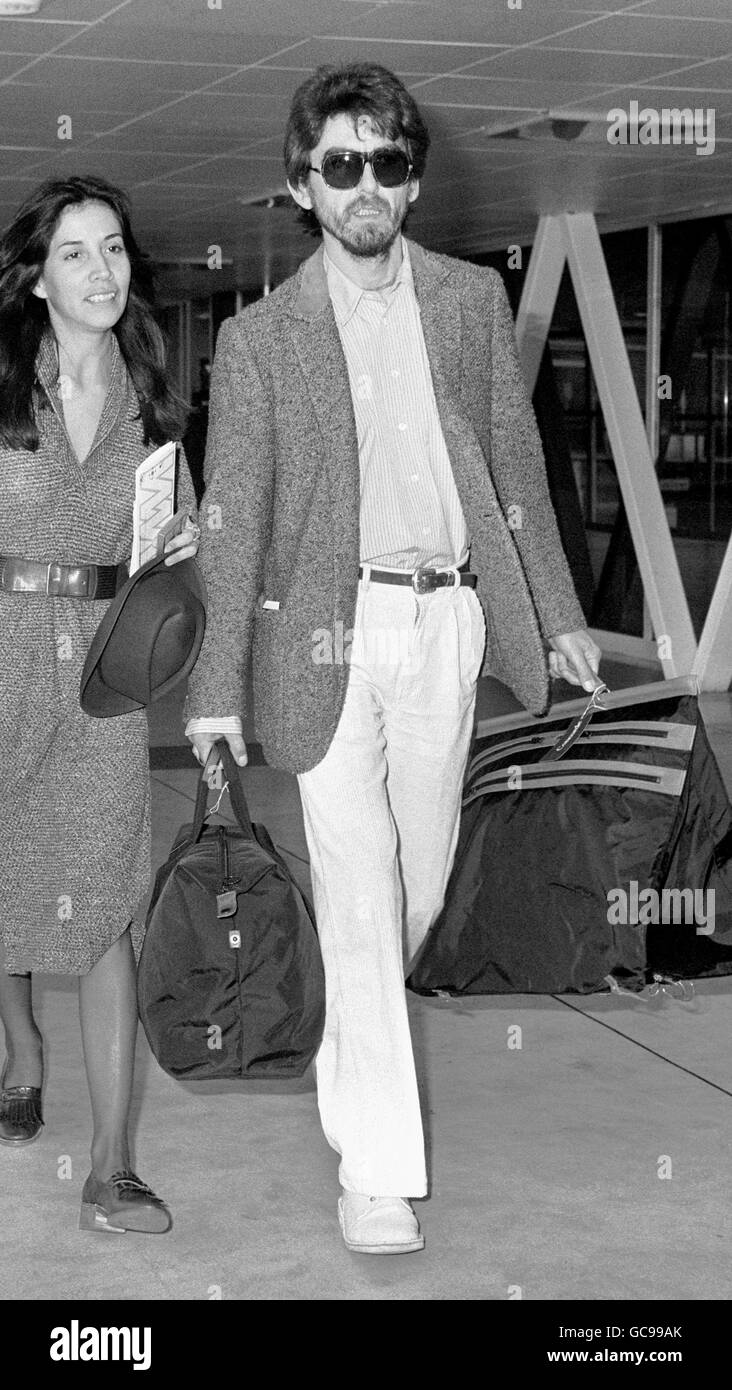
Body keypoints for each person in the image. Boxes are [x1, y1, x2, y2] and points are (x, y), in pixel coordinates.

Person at [185, 63, 601, 1255]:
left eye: (386, 163)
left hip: (446, 621)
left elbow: (517, 467)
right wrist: (214, 694)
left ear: (411, 180)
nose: (365, 186)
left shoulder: (471, 301)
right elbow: (236, 511)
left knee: (413, 889)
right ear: (302, 184)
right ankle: (376, 1176)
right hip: (325, 635)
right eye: (340, 165)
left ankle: (340, 1023)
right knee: (363, 895)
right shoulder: (260, 339)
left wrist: (558, 610)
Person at [0, 175, 200, 1235]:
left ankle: (113, 1167)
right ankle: (19, 1043)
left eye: (114, 248)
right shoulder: (0, 383)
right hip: (0, 655)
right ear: (36, 277)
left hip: (105, 676)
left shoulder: (151, 392)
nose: (101, 271)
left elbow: (181, 523)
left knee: (108, 900)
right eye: (74, 252)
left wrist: (181, 541)